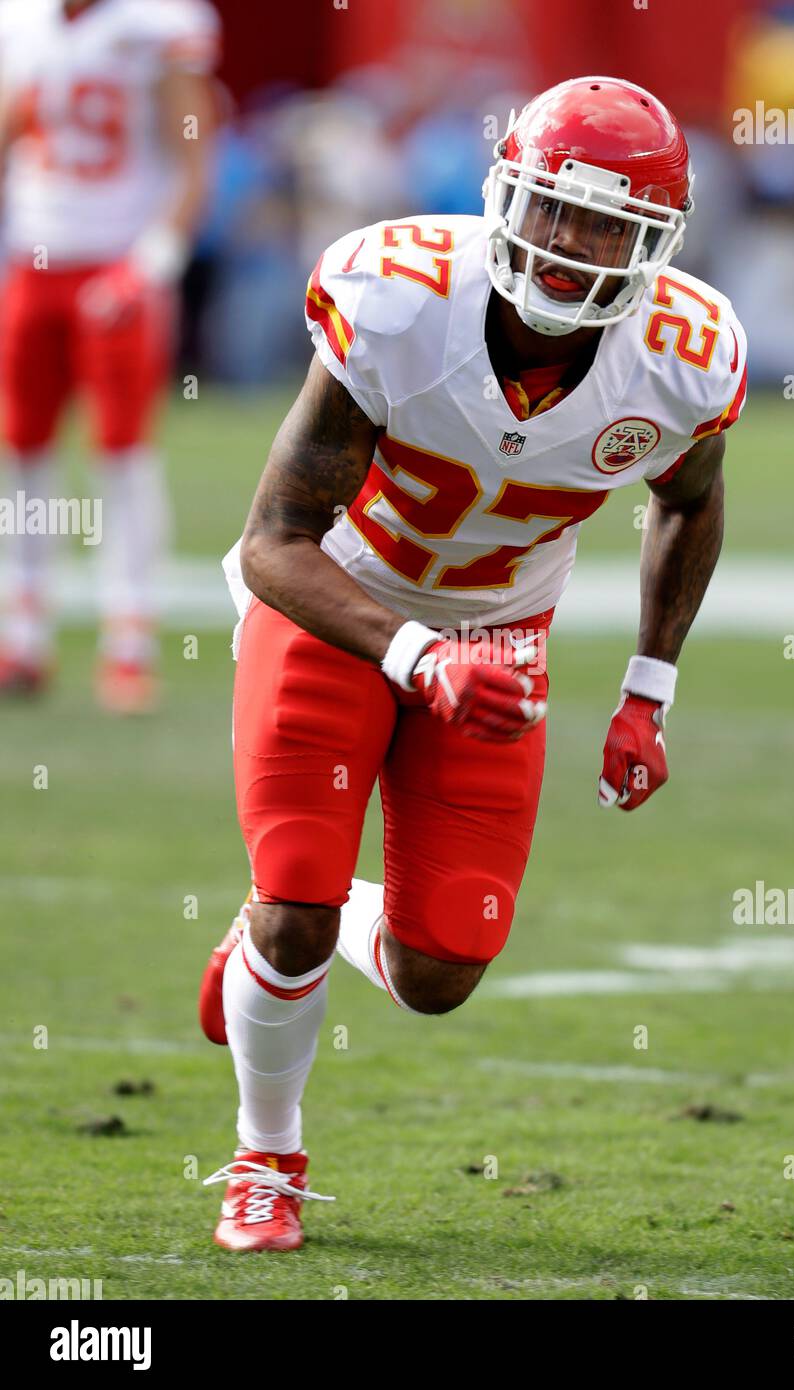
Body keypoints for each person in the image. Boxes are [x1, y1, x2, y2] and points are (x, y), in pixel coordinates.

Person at [199, 76, 748, 1251]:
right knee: (298, 891)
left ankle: (263, 935)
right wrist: (412, 654)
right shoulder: (398, 298)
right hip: (337, 602)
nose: (569, 244)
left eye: (607, 223)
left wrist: (645, 692)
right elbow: (274, 543)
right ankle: (265, 1155)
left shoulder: (681, 357)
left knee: (440, 965)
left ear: (654, 242)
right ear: (506, 194)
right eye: (553, 209)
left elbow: (687, 502)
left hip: (500, 633)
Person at [0, 0, 219, 712]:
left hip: (114, 264)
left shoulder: (155, 24)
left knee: (121, 454)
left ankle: (130, 640)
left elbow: (195, 155)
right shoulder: (23, 20)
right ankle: (23, 630)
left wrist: (151, 264)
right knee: (23, 449)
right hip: (34, 264)